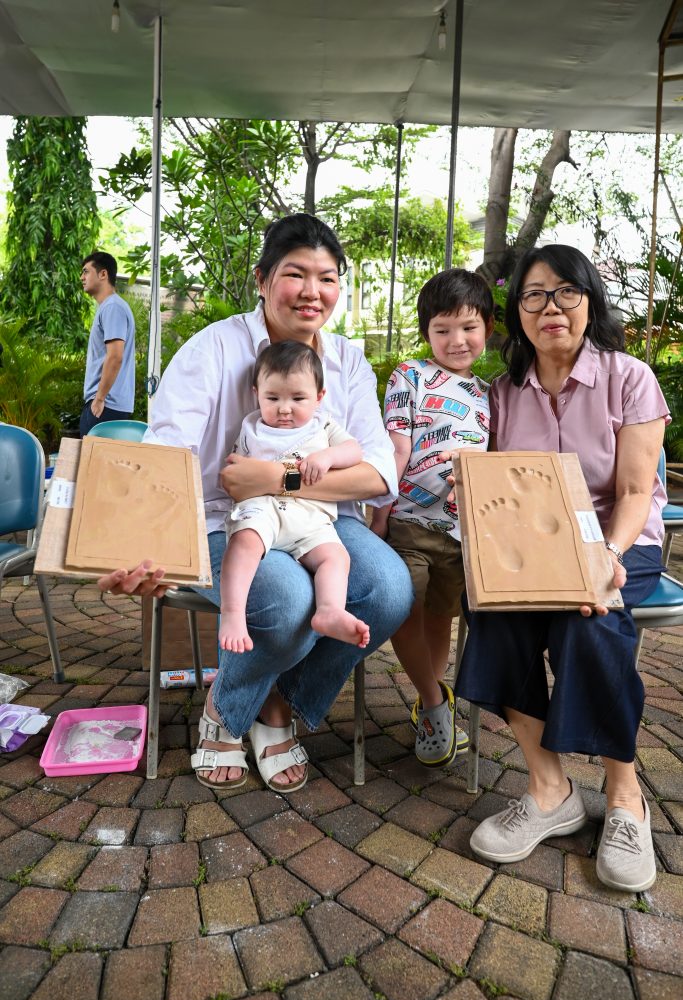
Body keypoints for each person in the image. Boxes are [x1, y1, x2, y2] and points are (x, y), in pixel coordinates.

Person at [97, 214, 413, 795]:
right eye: (296, 274)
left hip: (322, 520)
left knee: (389, 590)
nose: (313, 292)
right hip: (223, 518)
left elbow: (378, 473)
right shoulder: (213, 349)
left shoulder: (346, 361)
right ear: (263, 280)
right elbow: (166, 457)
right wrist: (138, 547)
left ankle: (272, 695)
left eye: (327, 277)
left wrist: (274, 476)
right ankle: (244, 708)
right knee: (285, 600)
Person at [452, 244, 669, 892]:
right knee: (490, 612)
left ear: (589, 300)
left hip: (618, 538)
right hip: (532, 550)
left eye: (564, 292)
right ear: (516, 311)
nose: (550, 307)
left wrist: (605, 557)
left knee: (587, 623)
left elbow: (633, 493)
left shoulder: (628, 379)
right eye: (533, 295)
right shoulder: (502, 391)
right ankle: (549, 790)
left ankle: (624, 795)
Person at [371, 269, 494, 768]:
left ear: (487, 327)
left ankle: (428, 700)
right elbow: (395, 448)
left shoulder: (493, 393)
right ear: (426, 333)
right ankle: (436, 702)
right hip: (409, 523)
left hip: (462, 534)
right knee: (404, 607)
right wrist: (378, 516)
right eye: (442, 329)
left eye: (468, 327)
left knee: (439, 616)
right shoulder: (411, 375)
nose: (455, 340)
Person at [220, 339, 369, 653]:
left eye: (298, 398)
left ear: (319, 397)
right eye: (272, 397)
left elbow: (354, 449)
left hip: (311, 516)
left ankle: (329, 610)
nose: (284, 408)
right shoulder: (251, 428)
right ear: (255, 394)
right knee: (243, 542)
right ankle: (232, 614)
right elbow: (235, 469)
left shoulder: (323, 426)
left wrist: (327, 457)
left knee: (336, 557)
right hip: (264, 509)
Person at [80, 251, 136, 437]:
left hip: (105, 408)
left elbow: (115, 356)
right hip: (107, 407)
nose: (82, 277)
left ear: (103, 274)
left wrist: (99, 398)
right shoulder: (110, 307)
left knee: (94, 466)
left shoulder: (112, 307)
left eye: (86, 271)